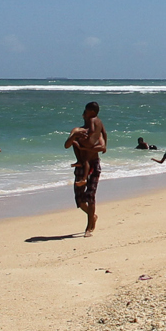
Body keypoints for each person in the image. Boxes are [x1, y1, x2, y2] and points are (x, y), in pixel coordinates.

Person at [64, 101, 105, 236]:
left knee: (90, 196)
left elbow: (102, 147)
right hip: (81, 165)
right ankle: (93, 216)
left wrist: (85, 148)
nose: (85, 115)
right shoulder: (77, 130)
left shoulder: (97, 133)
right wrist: (74, 136)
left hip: (93, 164)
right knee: (80, 200)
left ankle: (88, 227)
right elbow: (67, 145)